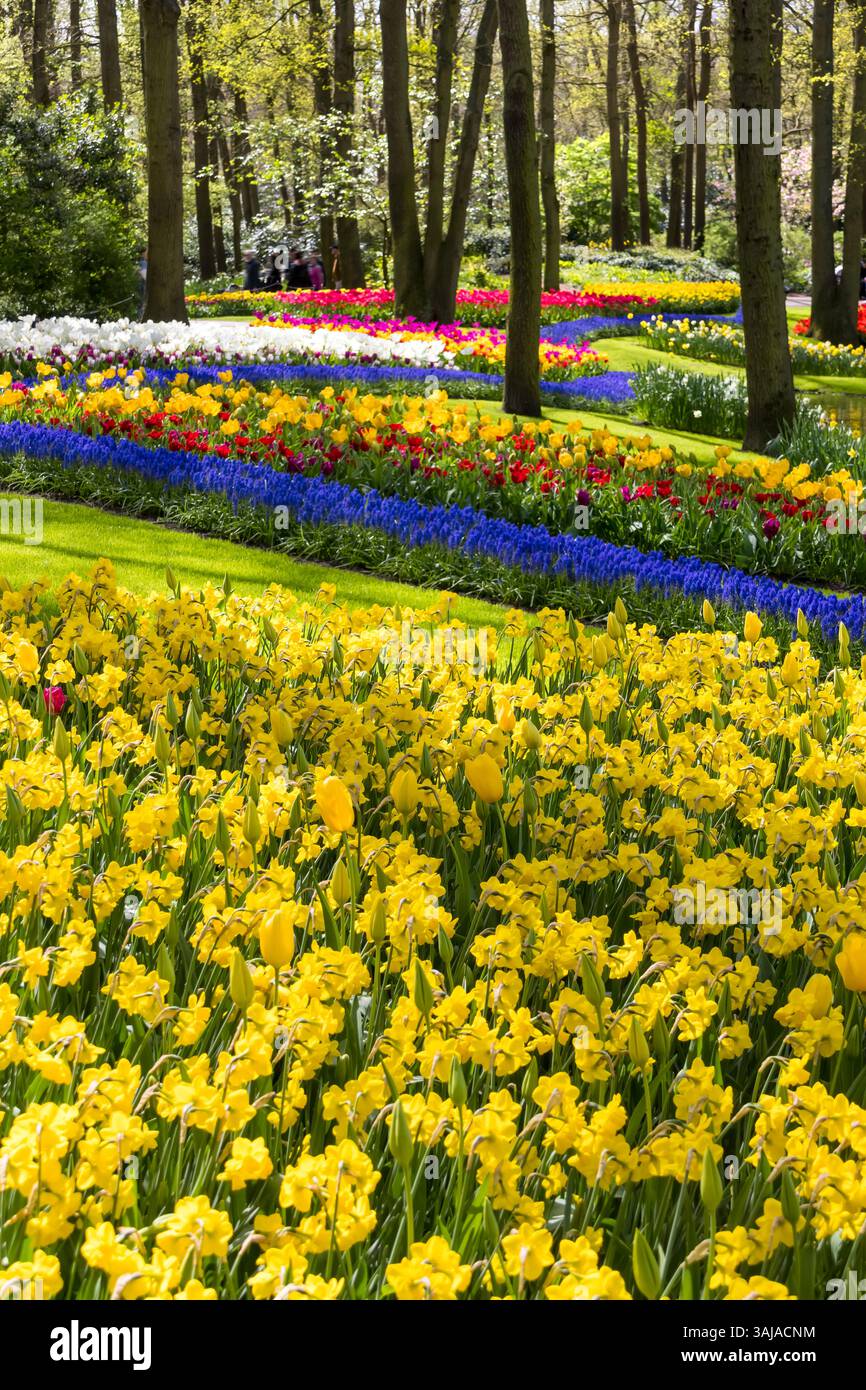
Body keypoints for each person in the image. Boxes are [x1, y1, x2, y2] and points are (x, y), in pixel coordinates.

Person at [136, 247, 147, 319]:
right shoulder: (143, 263)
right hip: (142, 287)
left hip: (141, 286)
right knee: (141, 305)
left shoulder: (142, 262)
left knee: (141, 305)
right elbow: (144, 275)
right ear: (143, 254)